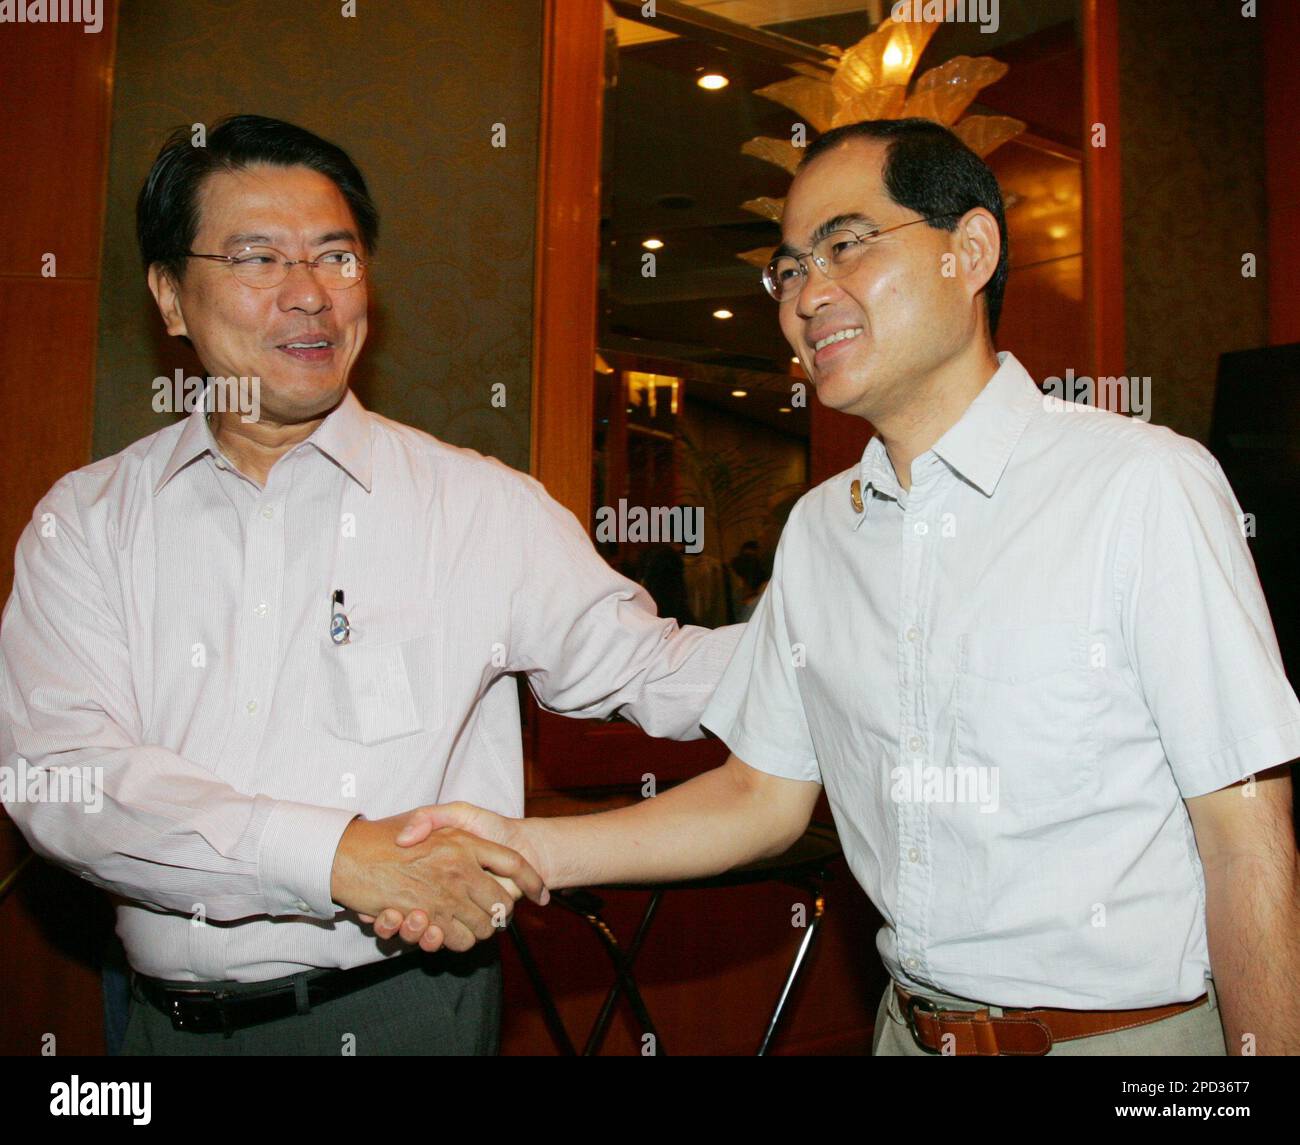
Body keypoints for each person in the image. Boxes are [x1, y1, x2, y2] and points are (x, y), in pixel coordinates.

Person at [379, 119, 1300, 1056]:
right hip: (906, 1029)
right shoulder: (823, 529)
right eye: (787, 269)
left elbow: (1244, 837)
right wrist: (520, 844)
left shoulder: (1140, 486)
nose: (807, 295)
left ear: (970, 250)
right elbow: (758, 799)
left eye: (845, 245)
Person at [0, 114, 740, 1055]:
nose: (309, 295)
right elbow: (65, 779)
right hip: (158, 1027)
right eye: (257, 258)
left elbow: (659, 669)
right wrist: (341, 859)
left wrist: (852, 636)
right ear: (170, 297)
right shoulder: (91, 522)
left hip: (403, 1010)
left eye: (337, 258)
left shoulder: (479, 507)